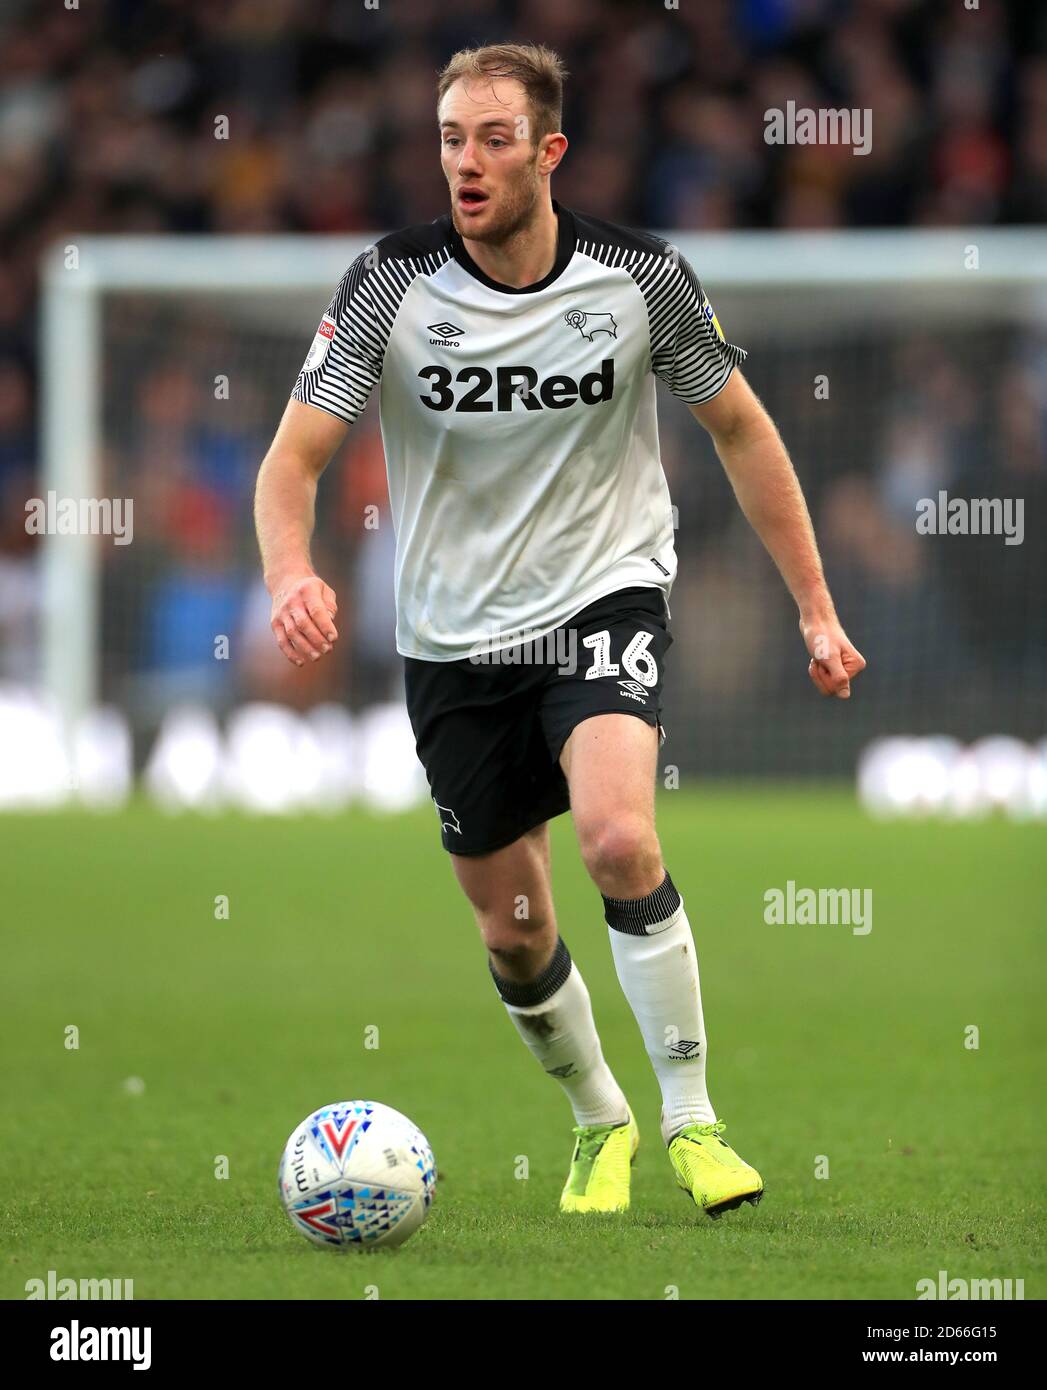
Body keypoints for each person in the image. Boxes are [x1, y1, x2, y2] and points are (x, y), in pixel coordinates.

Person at [254, 42, 866, 1219]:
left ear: (550, 152)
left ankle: (695, 1123)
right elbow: (294, 462)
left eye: (492, 139)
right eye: (448, 140)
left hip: (604, 592)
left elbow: (740, 429)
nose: (466, 164)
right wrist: (290, 572)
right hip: (451, 638)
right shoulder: (390, 283)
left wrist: (815, 604)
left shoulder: (639, 280)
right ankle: (601, 1120)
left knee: (621, 841)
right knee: (515, 925)